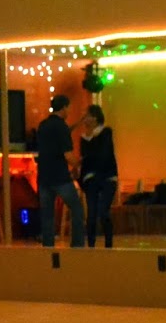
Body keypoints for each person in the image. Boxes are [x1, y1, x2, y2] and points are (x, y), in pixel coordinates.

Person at [36, 95, 85, 249]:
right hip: (60, 177)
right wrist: (79, 163)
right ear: (64, 107)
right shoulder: (61, 127)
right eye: (68, 108)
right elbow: (67, 155)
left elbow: (54, 139)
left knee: (47, 215)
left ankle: (48, 247)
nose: (69, 111)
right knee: (77, 209)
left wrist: (77, 124)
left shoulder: (43, 125)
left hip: (44, 177)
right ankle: (77, 245)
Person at [78, 104, 117, 249]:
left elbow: (99, 156)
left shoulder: (106, 133)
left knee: (103, 211)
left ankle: (108, 245)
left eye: (87, 116)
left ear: (95, 118)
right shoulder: (84, 138)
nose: (85, 119)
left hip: (107, 177)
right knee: (92, 213)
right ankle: (91, 245)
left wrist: (87, 159)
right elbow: (87, 159)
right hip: (91, 179)